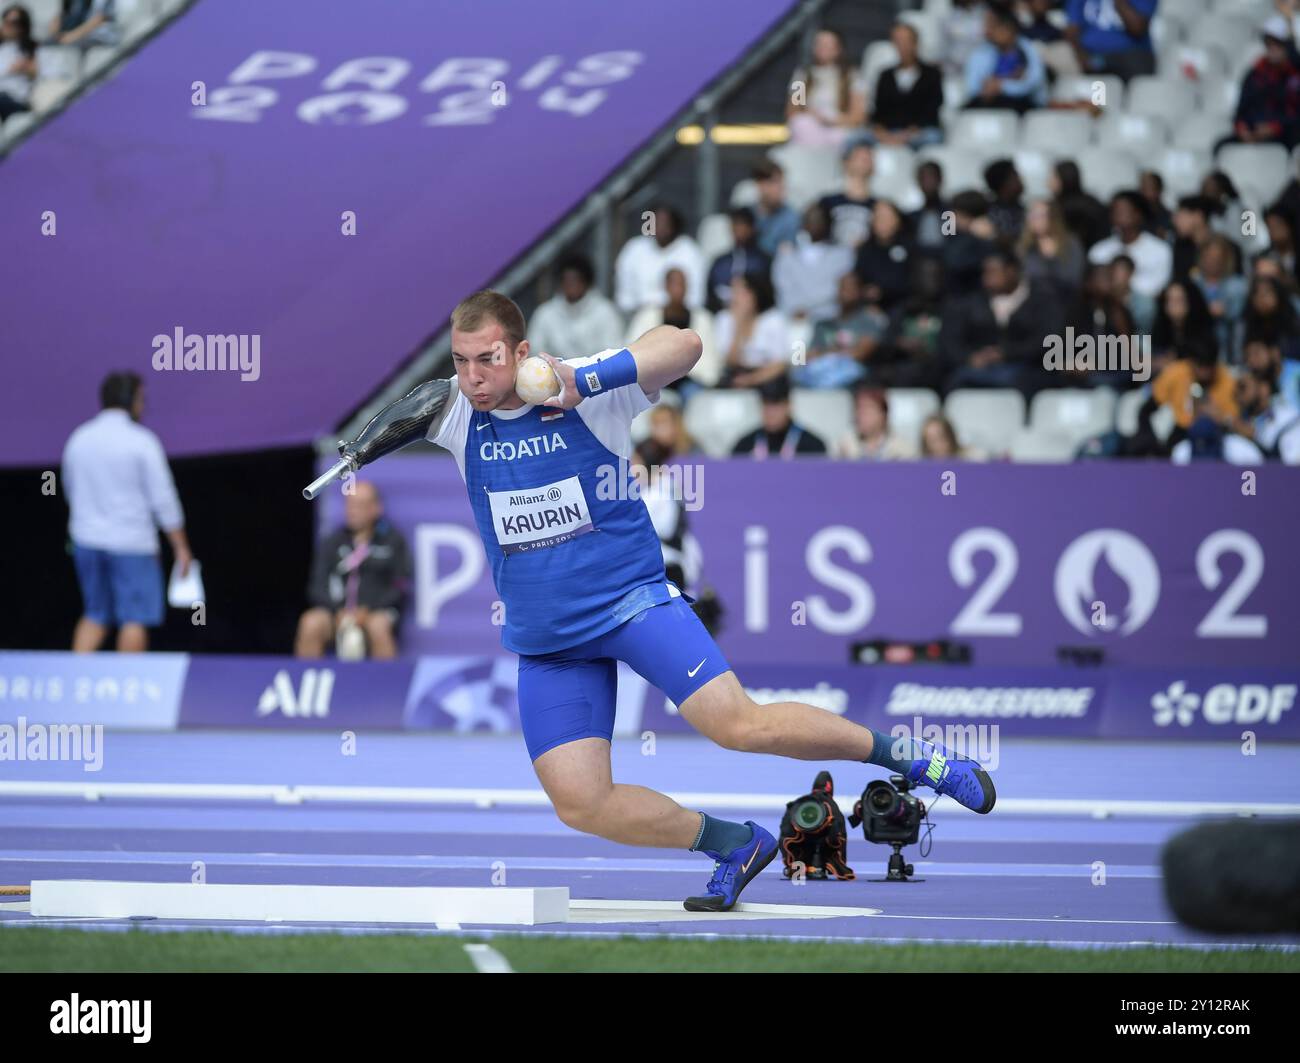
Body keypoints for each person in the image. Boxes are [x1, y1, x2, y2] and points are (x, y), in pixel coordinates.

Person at [325, 292, 998, 913]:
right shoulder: (457, 413)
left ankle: (920, 759)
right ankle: (735, 843)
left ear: (521, 354)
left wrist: (584, 378)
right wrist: (354, 451)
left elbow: (685, 343)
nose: (473, 376)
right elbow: (409, 408)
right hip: (549, 641)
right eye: (462, 361)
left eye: (489, 359)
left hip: (632, 603)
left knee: (739, 725)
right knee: (581, 802)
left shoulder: (582, 388)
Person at [61, 372, 193, 653]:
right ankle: (127, 692)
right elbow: (163, 498)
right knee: (134, 619)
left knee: (94, 615)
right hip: (132, 545)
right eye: (142, 399)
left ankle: (74, 686)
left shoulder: (78, 438)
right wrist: (180, 546)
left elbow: (69, 488)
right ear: (131, 399)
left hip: (86, 541)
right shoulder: (141, 441)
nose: (143, 405)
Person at [295, 481, 412, 660]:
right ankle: (307, 683)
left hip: (374, 613)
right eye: (349, 505)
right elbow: (316, 586)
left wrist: (368, 610)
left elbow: (400, 585)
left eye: (360, 506)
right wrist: (338, 611)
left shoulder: (393, 542)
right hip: (337, 614)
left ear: (376, 508)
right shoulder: (333, 542)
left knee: (379, 626)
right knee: (311, 622)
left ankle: (386, 685)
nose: (353, 511)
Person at [941, 248, 1060, 393]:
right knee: (955, 381)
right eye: (985, 272)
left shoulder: (1042, 301)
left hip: (1026, 369)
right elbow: (951, 341)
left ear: (1012, 271)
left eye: (993, 271)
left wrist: (1006, 354)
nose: (987, 277)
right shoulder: (970, 303)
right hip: (976, 369)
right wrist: (970, 357)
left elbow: (1047, 341)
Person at [626, 268, 721, 390]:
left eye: (682, 284)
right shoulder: (647, 317)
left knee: (693, 393)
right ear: (665, 287)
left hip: (691, 381)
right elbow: (633, 352)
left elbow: (710, 362)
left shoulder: (703, 319)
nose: (678, 289)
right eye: (674, 284)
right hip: (656, 380)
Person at [796, 272, 889, 389]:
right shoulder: (824, 323)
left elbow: (861, 353)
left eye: (851, 288)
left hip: (854, 380)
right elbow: (807, 356)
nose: (846, 293)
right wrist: (835, 354)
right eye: (842, 288)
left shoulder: (869, 321)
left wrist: (828, 353)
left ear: (860, 292)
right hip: (819, 376)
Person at [528, 254, 625, 361]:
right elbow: (535, 352)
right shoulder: (545, 313)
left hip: (595, 375)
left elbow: (613, 353)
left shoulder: (606, 312)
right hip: (553, 375)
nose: (570, 285)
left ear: (587, 282)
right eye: (566, 280)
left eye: (575, 279)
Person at [863, 21, 944, 148]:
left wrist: (908, 134)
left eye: (906, 40)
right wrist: (883, 133)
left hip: (919, 132)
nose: (902, 45)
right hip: (889, 131)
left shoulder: (932, 74)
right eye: (897, 41)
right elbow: (879, 111)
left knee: (932, 137)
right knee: (856, 137)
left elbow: (932, 110)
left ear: (915, 43)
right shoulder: (885, 75)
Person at [1224, 16, 1300, 151]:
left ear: (1288, 45)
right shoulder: (1255, 75)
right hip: (1254, 131)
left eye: (1277, 44)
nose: (1273, 49)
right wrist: (1243, 129)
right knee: (1222, 146)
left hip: (1286, 134)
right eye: (1268, 44)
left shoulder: (1295, 74)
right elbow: (1241, 111)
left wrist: (1276, 127)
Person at [614, 202, 705, 314]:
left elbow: (696, 299)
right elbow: (624, 298)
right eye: (656, 222)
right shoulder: (634, 248)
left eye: (665, 223)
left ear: (675, 224)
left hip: (678, 319)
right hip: (638, 317)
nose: (660, 227)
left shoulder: (690, 251)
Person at [785, 27, 867, 147]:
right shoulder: (802, 76)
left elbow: (858, 116)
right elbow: (793, 111)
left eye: (828, 44)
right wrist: (812, 115)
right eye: (819, 44)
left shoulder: (852, 77)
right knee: (801, 123)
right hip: (811, 126)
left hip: (838, 129)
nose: (823, 48)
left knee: (842, 136)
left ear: (839, 49)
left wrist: (830, 120)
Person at [964, 2, 1048, 113]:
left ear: (1010, 29)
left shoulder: (1028, 49)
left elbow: (1032, 83)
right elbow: (973, 86)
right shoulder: (983, 51)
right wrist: (990, 88)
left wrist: (1002, 86)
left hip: (1022, 103)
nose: (991, 31)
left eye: (996, 27)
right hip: (991, 102)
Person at [1088, 189, 1173, 298]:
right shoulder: (1099, 250)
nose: (1118, 215)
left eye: (1123, 210)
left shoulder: (1160, 250)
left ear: (1138, 214)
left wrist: (1123, 286)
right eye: (1114, 211)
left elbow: (1158, 287)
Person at [715, 273, 790, 389]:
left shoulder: (773, 320)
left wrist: (751, 380)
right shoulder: (724, 319)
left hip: (767, 376)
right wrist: (739, 325)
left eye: (742, 292)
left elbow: (781, 364)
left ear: (755, 294)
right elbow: (730, 361)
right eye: (734, 292)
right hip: (738, 373)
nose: (736, 298)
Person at [730, 373, 828, 457]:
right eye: (766, 404)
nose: (770, 412)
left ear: (789, 406)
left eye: (776, 405)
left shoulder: (812, 446)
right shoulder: (745, 445)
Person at [1064, 0, 1156, 81]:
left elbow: (1137, 28)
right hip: (1091, 56)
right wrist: (1081, 56)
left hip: (1131, 56)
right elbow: (1072, 29)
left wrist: (1119, 3)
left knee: (1137, 68)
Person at [704, 206, 772, 314]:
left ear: (752, 228)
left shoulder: (763, 261)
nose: (738, 229)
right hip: (721, 315)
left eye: (743, 224)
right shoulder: (720, 262)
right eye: (735, 224)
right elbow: (710, 296)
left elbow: (767, 296)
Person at [817, 141, 877, 250]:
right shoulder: (827, 202)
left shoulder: (879, 206)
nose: (866, 160)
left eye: (869, 158)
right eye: (860, 157)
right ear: (846, 162)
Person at [832, 384, 916, 459]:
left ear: (883, 414)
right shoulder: (843, 447)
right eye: (858, 409)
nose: (861, 415)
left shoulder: (903, 450)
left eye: (868, 409)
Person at [752, 160, 802, 256]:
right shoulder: (748, 214)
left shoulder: (791, 218)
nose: (781, 188)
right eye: (774, 182)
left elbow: (786, 255)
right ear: (760, 185)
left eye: (781, 182)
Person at [0, 4, 36, 121]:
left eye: (14, 23)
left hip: (15, 99)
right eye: (6, 21)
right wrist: (10, 70)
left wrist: (27, 69)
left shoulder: (31, 49)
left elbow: (37, 73)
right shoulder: (2, 48)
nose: (8, 26)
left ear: (23, 26)